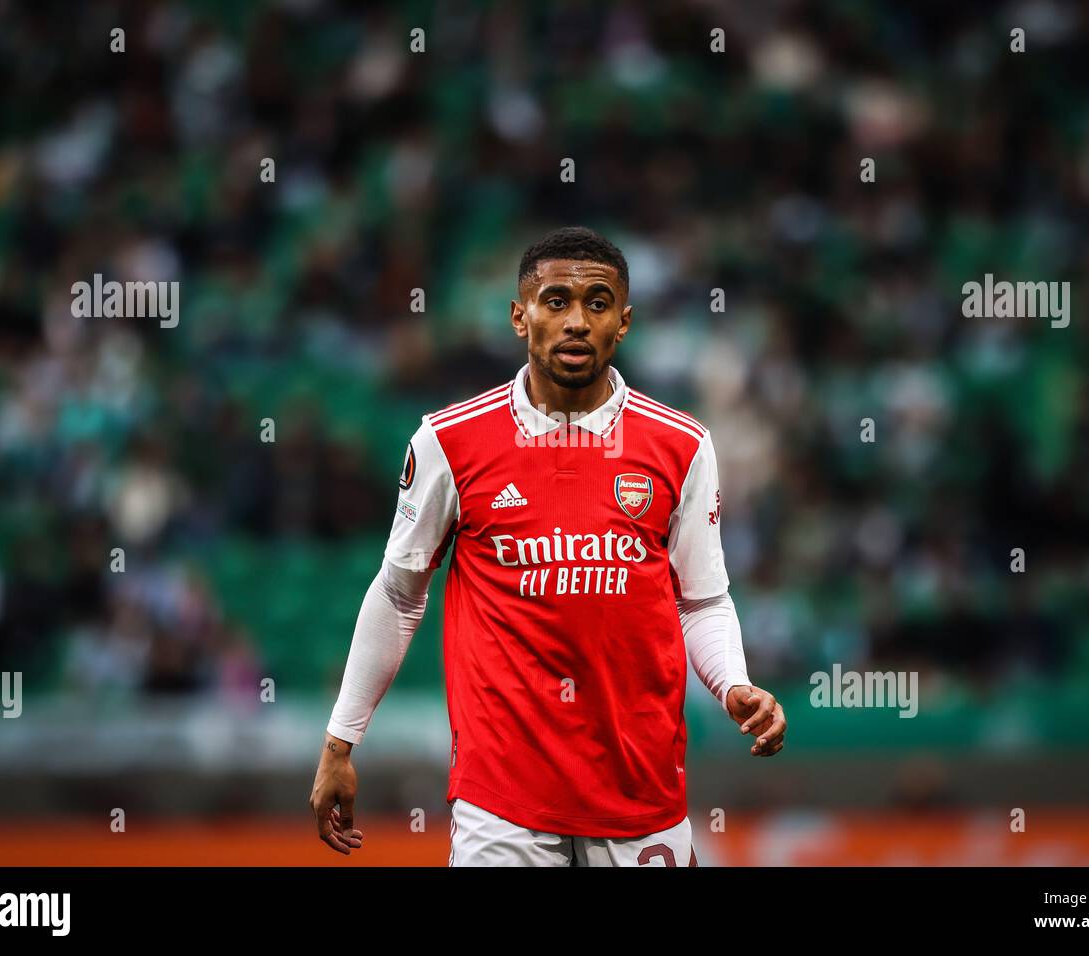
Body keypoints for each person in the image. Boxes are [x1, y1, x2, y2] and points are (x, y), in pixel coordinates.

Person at [310, 226, 785, 866]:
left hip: (638, 786)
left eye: (597, 303)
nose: (576, 322)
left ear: (624, 322)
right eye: (555, 300)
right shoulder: (450, 442)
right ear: (519, 315)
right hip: (501, 798)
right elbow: (399, 595)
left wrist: (733, 683)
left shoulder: (682, 446)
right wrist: (341, 740)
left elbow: (701, 601)